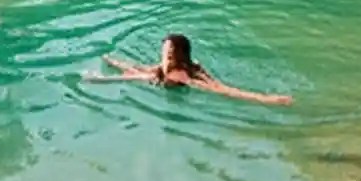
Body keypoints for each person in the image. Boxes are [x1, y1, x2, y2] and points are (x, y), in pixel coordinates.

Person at [88, 34, 293, 105]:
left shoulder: (183, 76)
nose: (165, 59)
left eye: (169, 56)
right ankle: (108, 68)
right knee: (141, 71)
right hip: (159, 78)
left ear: (179, 57)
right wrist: (113, 62)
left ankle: (102, 78)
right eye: (163, 54)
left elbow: (225, 90)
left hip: (175, 87)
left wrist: (267, 99)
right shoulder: (162, 67)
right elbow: (139, 69)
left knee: (142, 75)